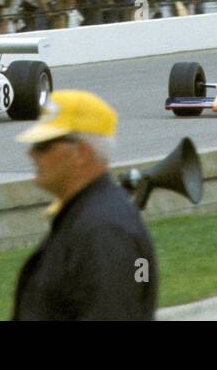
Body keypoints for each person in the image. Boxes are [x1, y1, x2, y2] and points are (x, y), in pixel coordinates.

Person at [12, 90, 157, 320]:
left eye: (43, 145)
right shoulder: (88, 218)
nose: (31, 153)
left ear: (81, 152)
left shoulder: (104, 231)